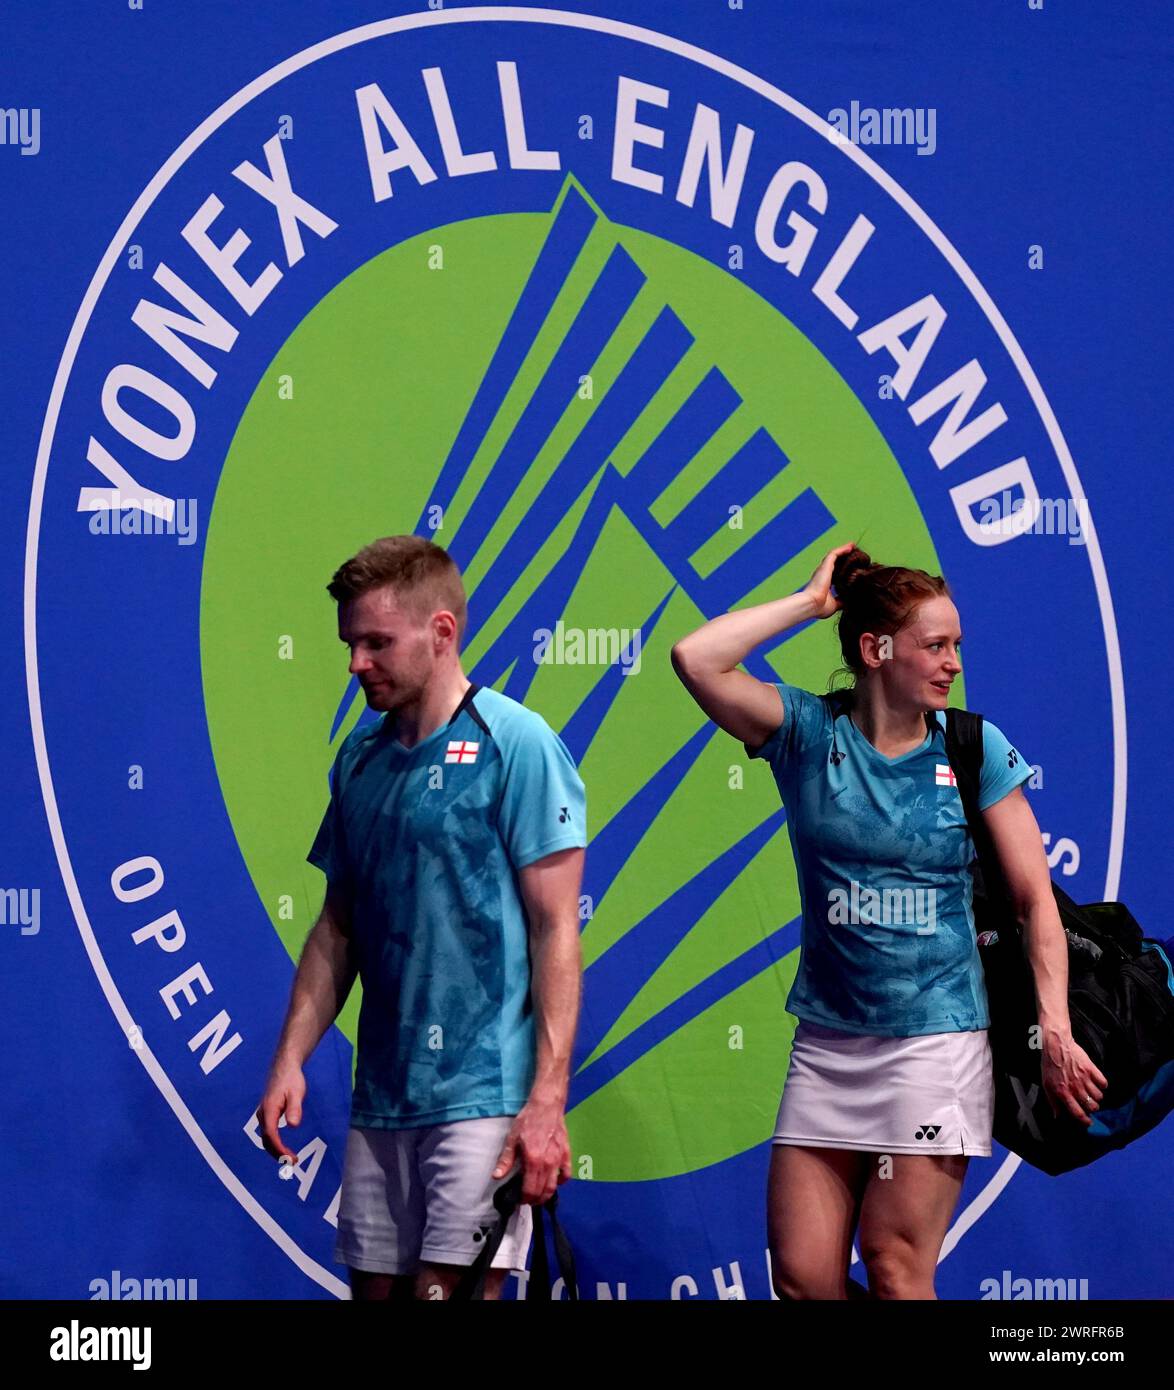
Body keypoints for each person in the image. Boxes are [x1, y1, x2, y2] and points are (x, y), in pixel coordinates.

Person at [670, 541, 1106, 1301]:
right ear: (875, 650)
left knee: (898, 1266)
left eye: (956, 646)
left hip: (935, 1046)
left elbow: (1037, 900)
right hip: (830, 1044)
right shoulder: (808, 736)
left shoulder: (974, 749)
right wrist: (811, 603)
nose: (952, 664)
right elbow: (696, 658)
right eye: (935, 645)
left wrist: (1056, 1028)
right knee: (804, 1279)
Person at [256, 535, 587, 1301]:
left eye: (376, 643)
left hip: (483, 1100)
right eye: (350, 644)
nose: (355, 663)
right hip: (383, 1099)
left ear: (441, 634)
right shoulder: (359, 760)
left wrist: (546, 1102)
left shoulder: (519, 746)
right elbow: (338, 926)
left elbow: (556, 931)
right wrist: (289, 1057)